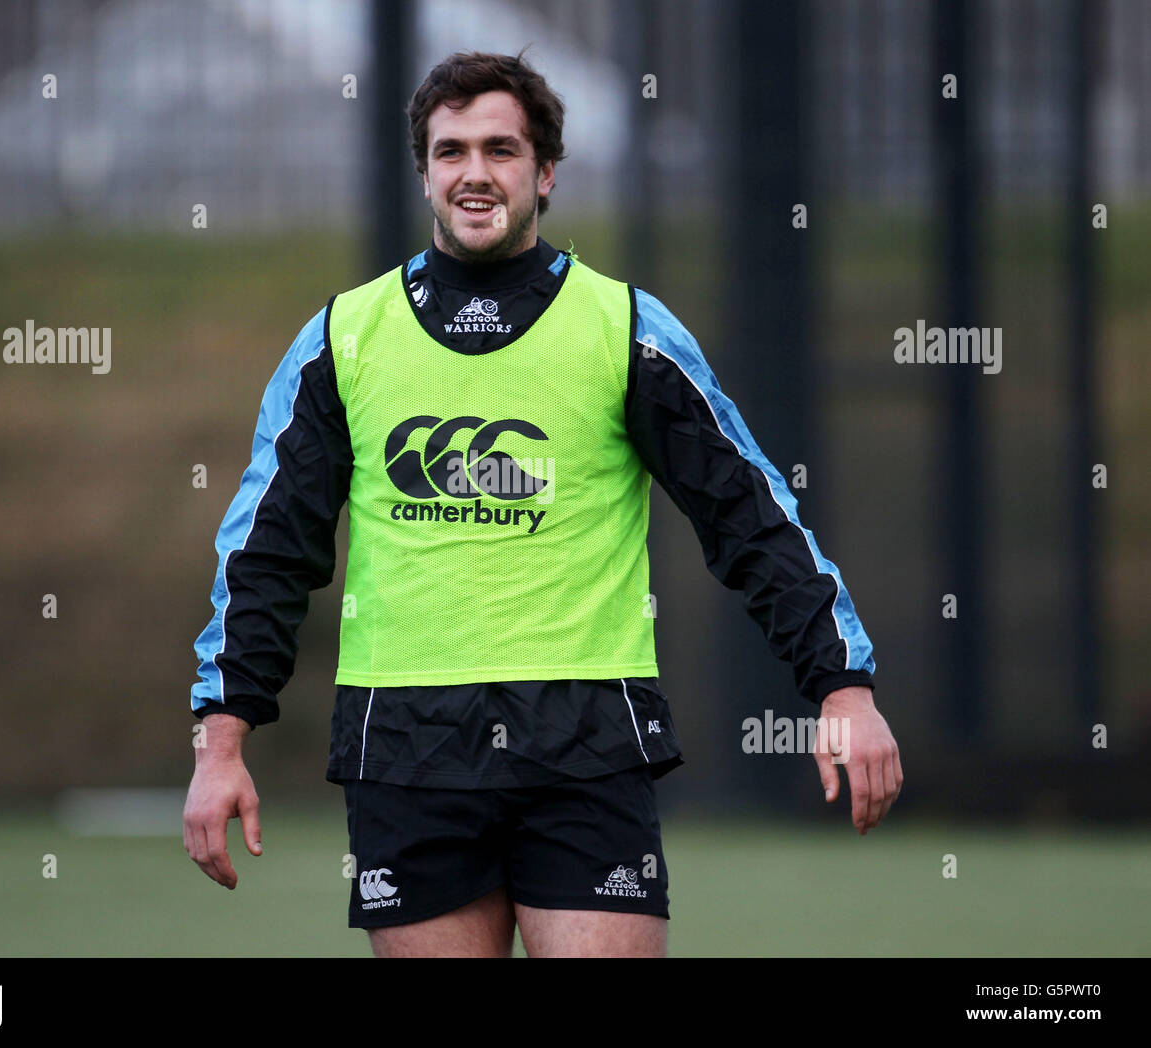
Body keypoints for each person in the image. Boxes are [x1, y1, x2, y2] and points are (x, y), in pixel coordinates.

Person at [183, 49, 902, 958]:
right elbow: (266, 553)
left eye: (500, 150)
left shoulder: (627, 329)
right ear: (426, 171)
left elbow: (750, 513)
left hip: (587, 739)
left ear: (545, 172)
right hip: (407, 748)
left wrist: (841, 684)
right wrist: (221, 741)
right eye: (451, 152)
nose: (474, 173)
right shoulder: (343, 338)